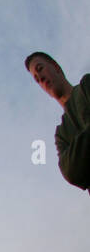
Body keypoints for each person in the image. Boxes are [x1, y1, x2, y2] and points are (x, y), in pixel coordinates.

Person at [25, 52, 90, 193]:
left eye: (40, 69)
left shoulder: (87, 85)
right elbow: (71, 172)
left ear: (56, 67)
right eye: (36, 80)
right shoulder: (61, 134)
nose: (40, 78)